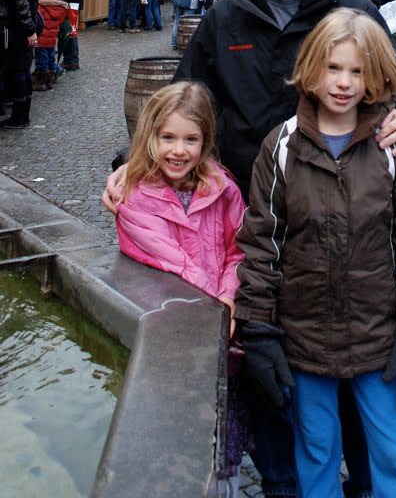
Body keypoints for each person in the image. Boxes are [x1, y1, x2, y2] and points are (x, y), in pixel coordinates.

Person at [104, 0, 396, 498]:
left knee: (360, 404)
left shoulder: (351, 12)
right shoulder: (224, 20)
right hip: (257, 240)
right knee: (277, 387)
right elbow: (181, 109)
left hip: (349, 245)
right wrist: (127, 163)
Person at [235, 9, 396, 498]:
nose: (345, 82)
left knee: (392, 450)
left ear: (376, 75)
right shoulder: (281, 146)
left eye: (357, 70)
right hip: (304, 337)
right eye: (333, 67)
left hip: (378, 336)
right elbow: (262, 240)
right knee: (316, 448)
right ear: (312, 67)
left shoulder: (394, 145)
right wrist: (259, 328)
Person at [114, 81, 248, 495]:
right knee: (176, 430)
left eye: (191, 139)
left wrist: (228, 297)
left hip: (220, 331)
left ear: (206, 141)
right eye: (167, 137)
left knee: (223, 435)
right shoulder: (135, 199)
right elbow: (174, 262)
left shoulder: (223, 188)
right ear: (150, 137)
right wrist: (215, 304)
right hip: (173, 336)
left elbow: (238, 250)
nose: (178, 150)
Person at [0, 0, 44, 128]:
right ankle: (21, 113)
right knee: (22, 67)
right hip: (23, 23)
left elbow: (20, 3)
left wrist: (28, 29)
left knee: (18, 69)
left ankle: (20, 115)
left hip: (17, 26)